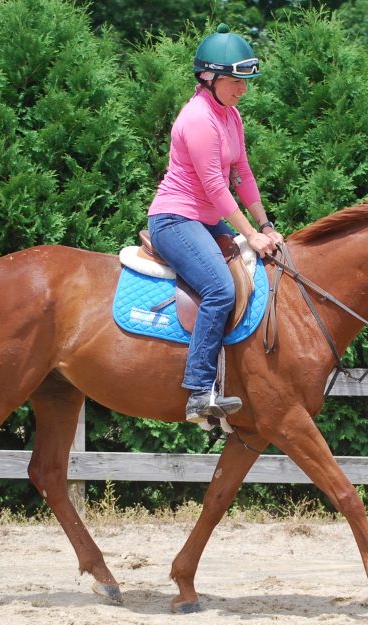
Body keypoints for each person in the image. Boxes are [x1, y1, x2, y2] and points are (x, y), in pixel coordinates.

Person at [147, 23, 283, 423]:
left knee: (259, 275)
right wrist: (250, 234)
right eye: (235, 81)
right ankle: (198, 393)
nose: (243, 89)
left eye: (246, 82)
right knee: (220, 290)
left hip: (205, 221)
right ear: (209, 78)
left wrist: (266, 223)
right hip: (176, 219)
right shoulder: (198, 120)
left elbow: (241, 174)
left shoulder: (231, 116)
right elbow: (214, 188)